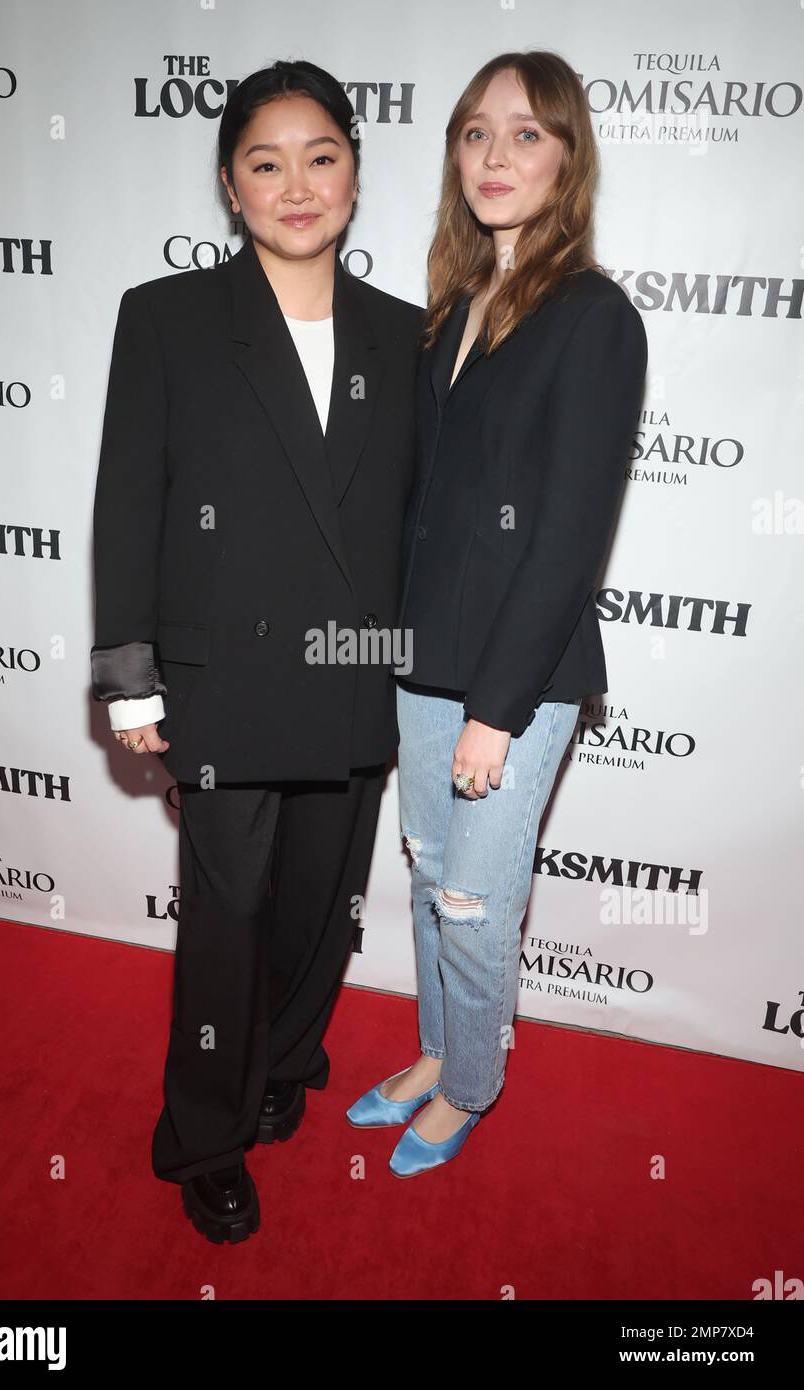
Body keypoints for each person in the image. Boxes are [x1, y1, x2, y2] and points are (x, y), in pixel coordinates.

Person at [90, 59, 421, 1239]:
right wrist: (130, 676)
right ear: (229, 186)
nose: (296, 185)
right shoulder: (168, 317)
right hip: (221, 681)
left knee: (322, 909)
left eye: (320, 157)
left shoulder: (407, 332)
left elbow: (416, 520)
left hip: (350, 678)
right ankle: (204, 1135)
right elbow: (128, 502)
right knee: (223, 922)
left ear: (354, 174)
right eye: (265, 162)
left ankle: (284, 1060)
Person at [346, 51, 648, 1177]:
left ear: (566, 155)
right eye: (475, 133)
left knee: (472, 903)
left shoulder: (594, 317)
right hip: (422, 663)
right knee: (429, 875)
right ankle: (436, 1049)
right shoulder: (454, 306)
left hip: (513, 682)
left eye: (525, 133)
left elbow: (570, 538)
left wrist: (498, 710)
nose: (495, 155)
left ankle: (470, 1087)